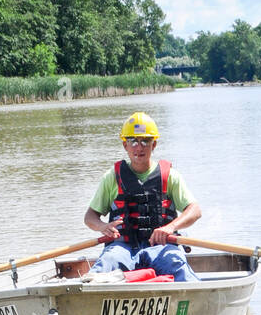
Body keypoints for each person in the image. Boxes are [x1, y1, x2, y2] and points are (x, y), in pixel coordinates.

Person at [83, 112, 202, 280]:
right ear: (125, 145)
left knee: (176, 264)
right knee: (105, 264)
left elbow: (195, 210)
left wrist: (170, 227)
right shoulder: (111, 177)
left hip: (161, 246)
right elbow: (90, 216)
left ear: (154, 145)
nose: (139, 147)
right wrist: (102, 226)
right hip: (122, 248)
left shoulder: (170, 176)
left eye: (145, 141)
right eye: (133, 141)